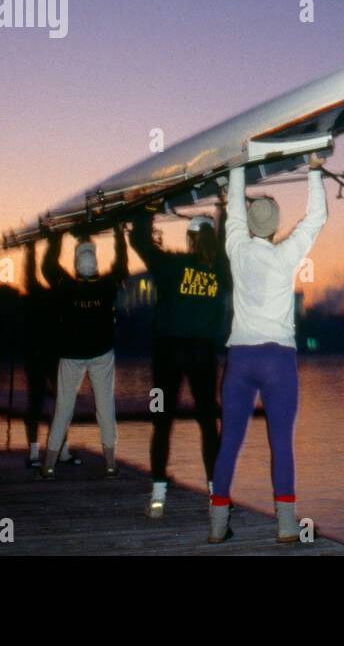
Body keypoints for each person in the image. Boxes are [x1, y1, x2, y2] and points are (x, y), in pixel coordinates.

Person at [209, 153, 327, 544]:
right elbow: (316, 220)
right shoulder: (285, 255)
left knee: (229, 441)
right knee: (281, 442)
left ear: (249, 224)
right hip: (278, 359)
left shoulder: (236, 250)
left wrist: (237, 165)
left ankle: (216, 525)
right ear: (275, 226)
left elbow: (234, 214)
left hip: (240, 358)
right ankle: (286, 525)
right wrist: (313, 169)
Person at [130, 209, 228, 517]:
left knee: (161, 422)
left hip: (167, 356)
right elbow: (227, 243)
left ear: (189, 239)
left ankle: (158, 496)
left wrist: (144, 212)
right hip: (203, 355)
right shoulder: (223, 270)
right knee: (208, 424)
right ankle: (216, 495)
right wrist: (223, 211)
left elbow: (140, 243)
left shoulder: (172, 265)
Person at [38, 225, 128, 480]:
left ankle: (49, 465)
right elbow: (122, 263)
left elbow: (48, 266)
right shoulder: (108, 286)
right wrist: (120, 234)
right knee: (105, 408)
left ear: (76, 265)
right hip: (101, 354)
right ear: (96, 264)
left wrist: (55, 238)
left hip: (71, 356)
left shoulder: (65, 286)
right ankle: (110, 464)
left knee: (63, 409)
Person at [21, 241, 79, 469]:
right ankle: (49, 452)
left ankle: (46, 452)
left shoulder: (49, 295)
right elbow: (34, 274)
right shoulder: (62, 297)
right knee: (46, 403)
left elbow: (31, 275)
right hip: (45, 356)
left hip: (45, 356)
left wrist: (31, 251)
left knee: (43, 403)